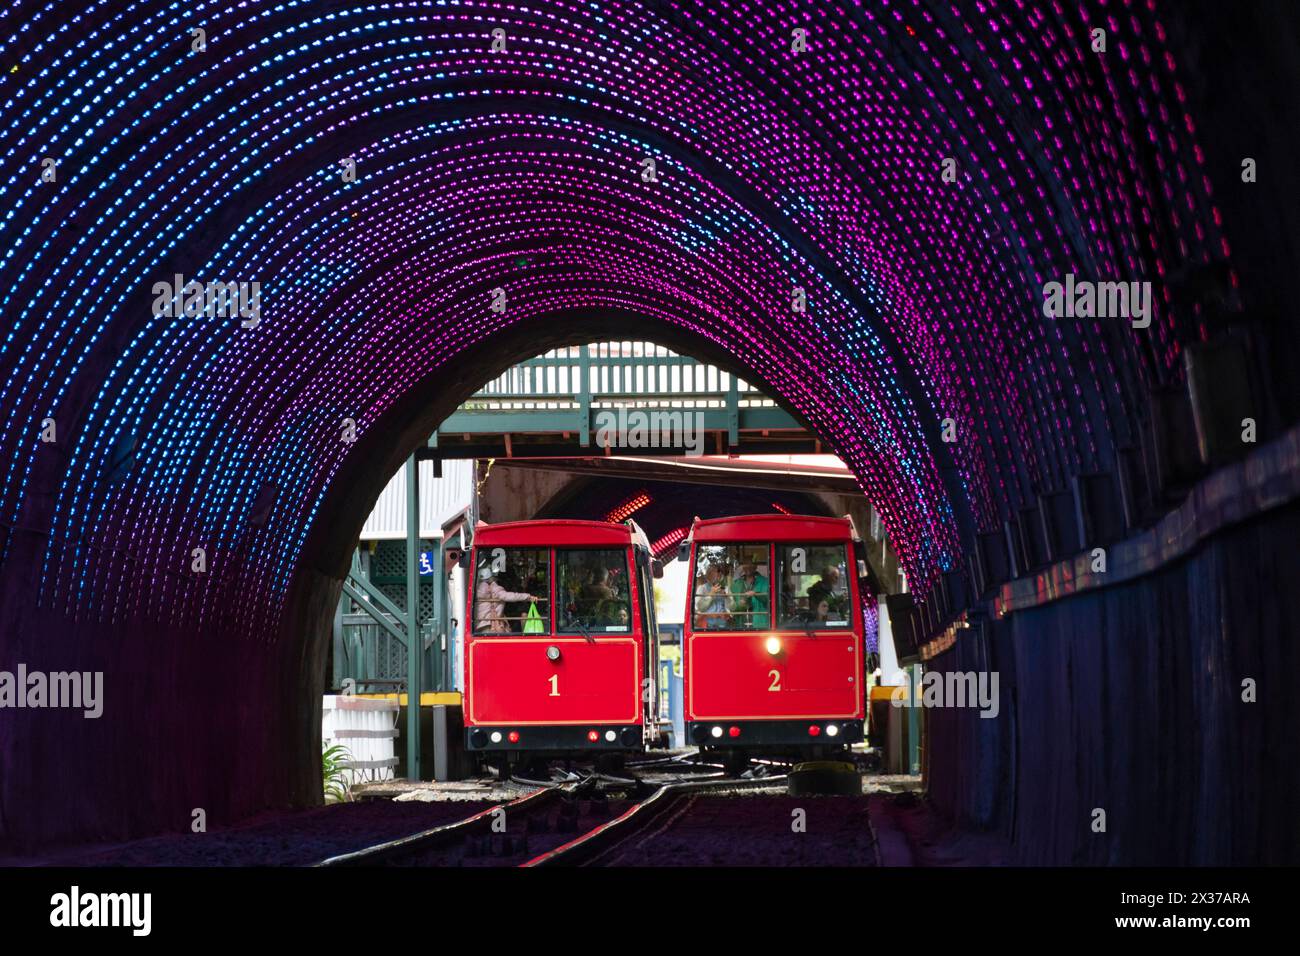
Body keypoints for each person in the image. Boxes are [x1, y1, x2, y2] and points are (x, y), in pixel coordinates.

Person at [475, 567, 544, 634]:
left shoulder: (476, 590)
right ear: (492, 578)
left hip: (481, 624)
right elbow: (510, 596)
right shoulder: (494, 588)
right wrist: (528, 596)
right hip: (493, 624)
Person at [729, 559, 769, 629]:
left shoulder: (765, 582)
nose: (748, 567)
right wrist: (741, 604)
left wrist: (756, 594)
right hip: (740, 626)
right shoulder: (735, 584)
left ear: (755, 566)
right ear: (743, 567)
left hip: (760, 625)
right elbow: (731, 608)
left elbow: (769, 600)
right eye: (745, 565)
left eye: (751, 565)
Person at [694, 563, 730, 630]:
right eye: (713, 572)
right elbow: (700, 607)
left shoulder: (725, 588)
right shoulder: (702, 588)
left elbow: (731, 608)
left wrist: (726, 598)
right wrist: (711, 594)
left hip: (723, 624)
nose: (717, 575)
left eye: (718, 572)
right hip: (708, 625)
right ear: (708, 575)